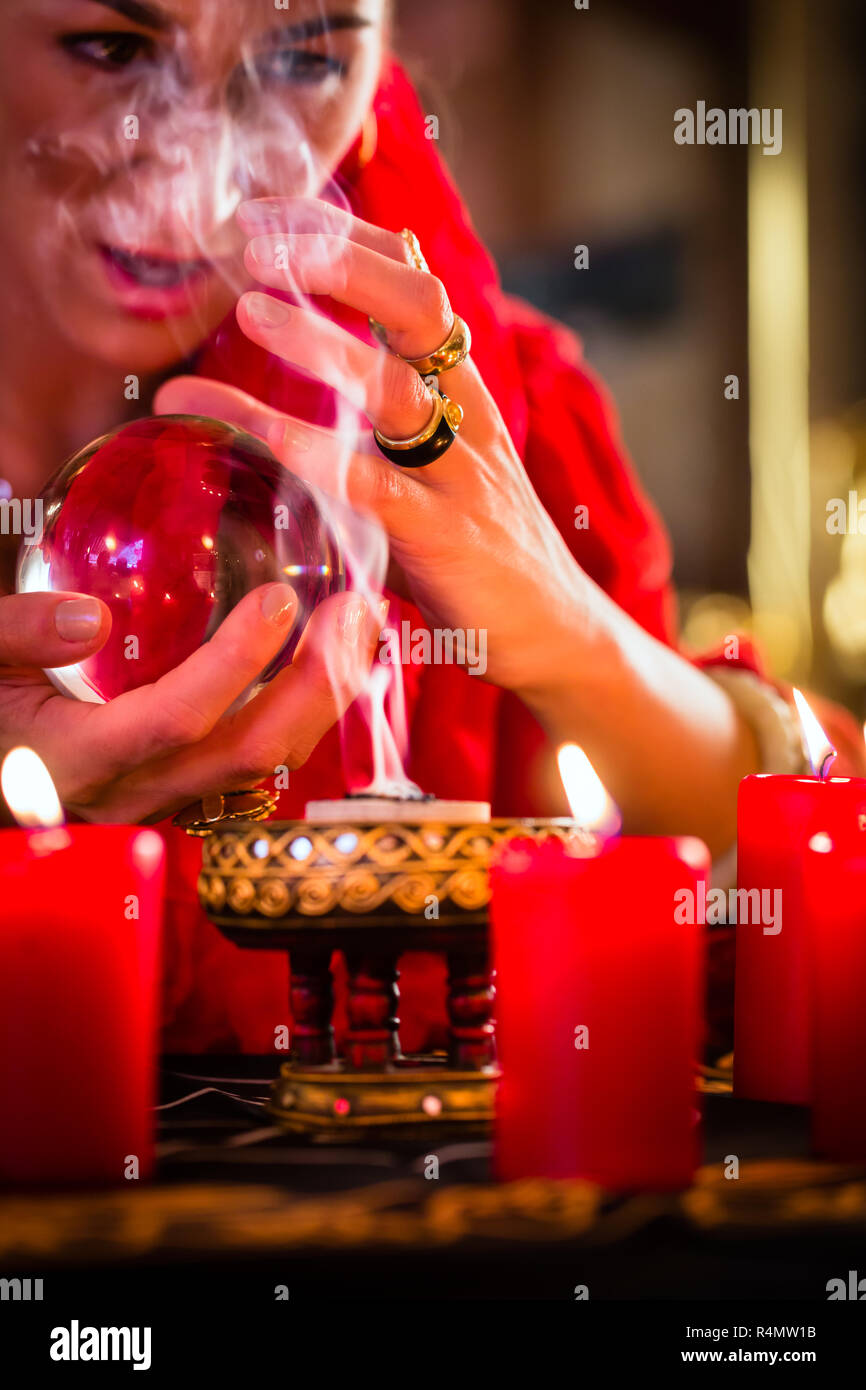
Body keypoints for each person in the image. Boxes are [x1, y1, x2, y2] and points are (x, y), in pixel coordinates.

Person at [0, 1, 859, 1051]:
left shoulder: (482, 433)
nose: (209, 171)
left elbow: (794, 945)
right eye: (112, 49)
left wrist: (573, 644)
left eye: (304, 55)